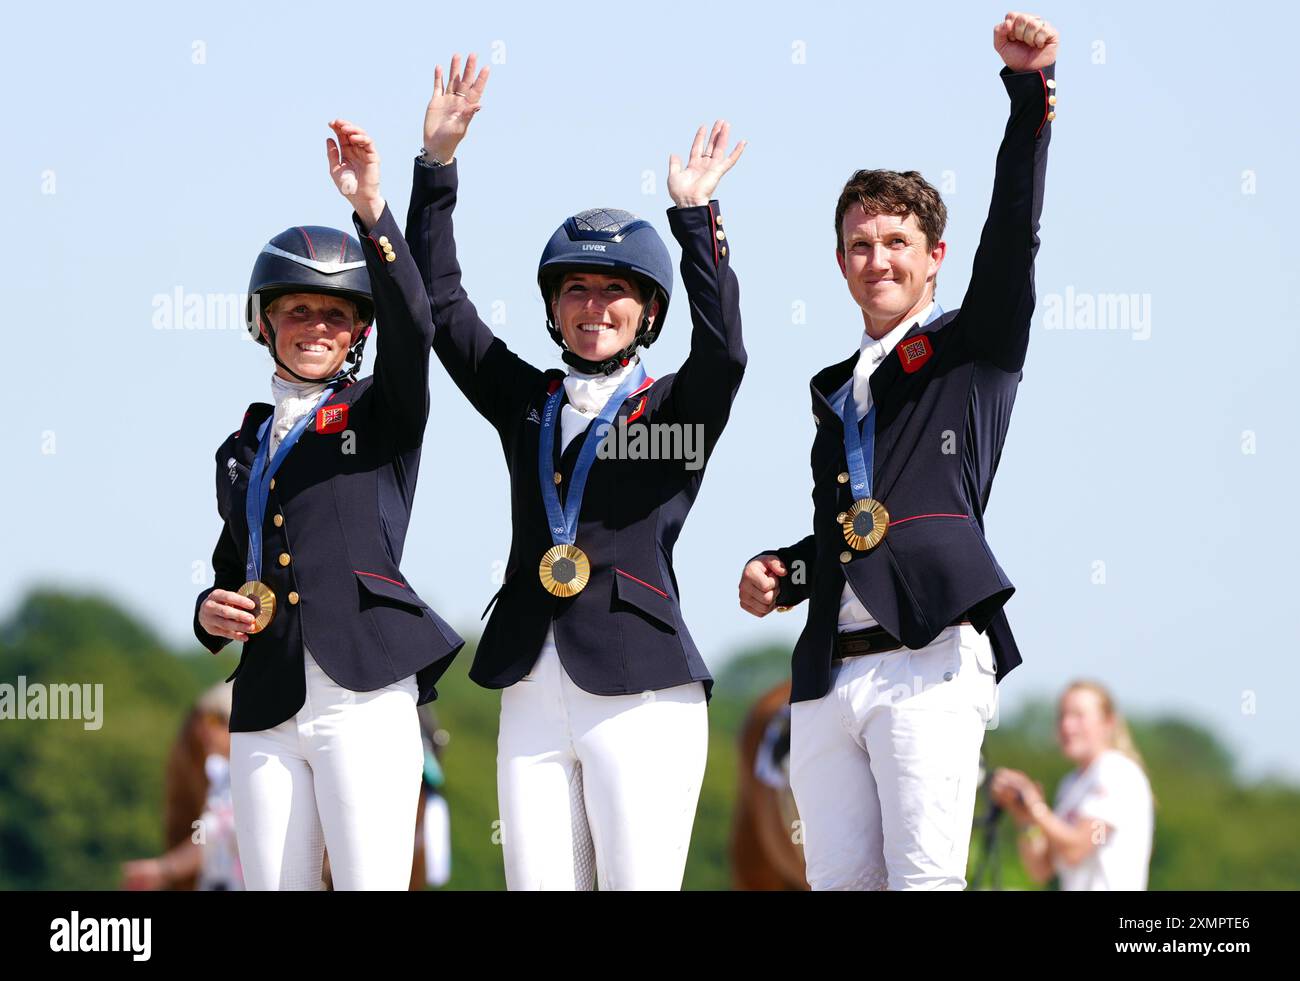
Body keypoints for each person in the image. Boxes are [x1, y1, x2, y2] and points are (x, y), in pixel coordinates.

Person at [396, 53, 745, 889]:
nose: (595, 307)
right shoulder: (529, 403)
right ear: (554, 306)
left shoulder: (673, 413)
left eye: (615, 291)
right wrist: (436, 167)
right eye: (577, 290)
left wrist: (696, 219)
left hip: (640, 688)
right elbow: (440, 307)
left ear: (647, 310)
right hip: (528, 679)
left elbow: (726, 349)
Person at [737, 11, 1059, 890]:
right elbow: (846, 533)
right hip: (827, 673)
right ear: (840, 263)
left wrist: (1028, 96)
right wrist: (786, 571)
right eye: (860, 245)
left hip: (930, 655)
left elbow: (1013, 237)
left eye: (895, 243)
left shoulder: (975, 346)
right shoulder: (834, 389)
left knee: (925, 883)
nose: (876, 258)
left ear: (935, 259)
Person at [191, 119, 463, 890]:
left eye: (336, 314)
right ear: (265, 321)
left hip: (364, 693)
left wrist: (373, 208)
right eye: (298, 310)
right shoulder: (241, 445)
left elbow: (416, 324)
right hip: (266, 701)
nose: (317, 326)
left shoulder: (383, 410)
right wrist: (207, 610)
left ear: (357, 335)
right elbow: (229, 565)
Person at [992, 681, 1155, 890]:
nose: (1067, 725)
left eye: (1079, 715)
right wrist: (1026, 820)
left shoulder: (1117, 772)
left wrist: (1036, 807)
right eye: (1062, 716)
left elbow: (1079, 848)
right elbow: (1041, 870)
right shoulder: (1071, 784)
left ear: (1108, 722)